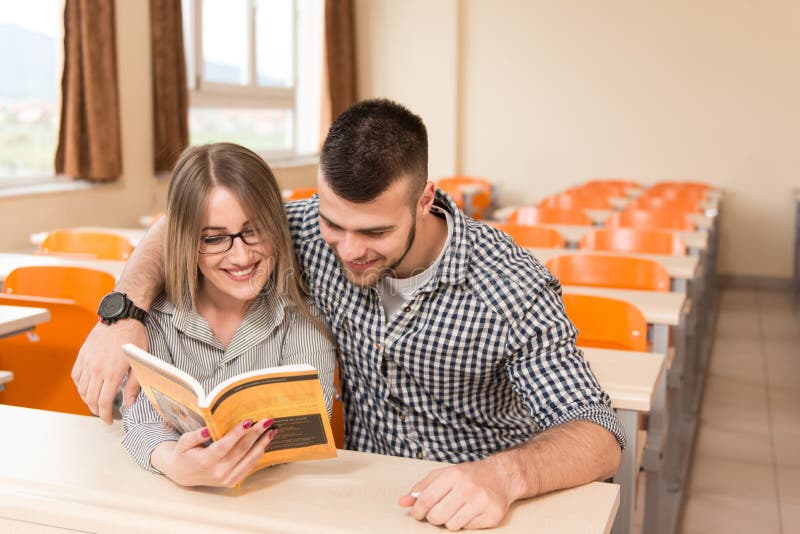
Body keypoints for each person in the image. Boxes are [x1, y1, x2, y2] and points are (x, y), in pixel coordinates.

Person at [73, 100, 623, 530]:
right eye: (334, 223)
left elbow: (600, 431)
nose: (350, 249)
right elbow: (182, 225)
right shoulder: (301, 232)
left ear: (425, 199)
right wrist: (122, 313)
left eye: (375, 231)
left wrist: (504, 476)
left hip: (481, 505)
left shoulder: (509, 284)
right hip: (366, 503)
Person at [120, 143, 336, 487]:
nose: (241, 256)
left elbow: (308, 418)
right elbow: (142, 415)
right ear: (186, 241)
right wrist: (172, 462)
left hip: (275, 494)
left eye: (254, 230)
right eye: (214, 238)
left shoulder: (300, 318)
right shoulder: (156, 318)